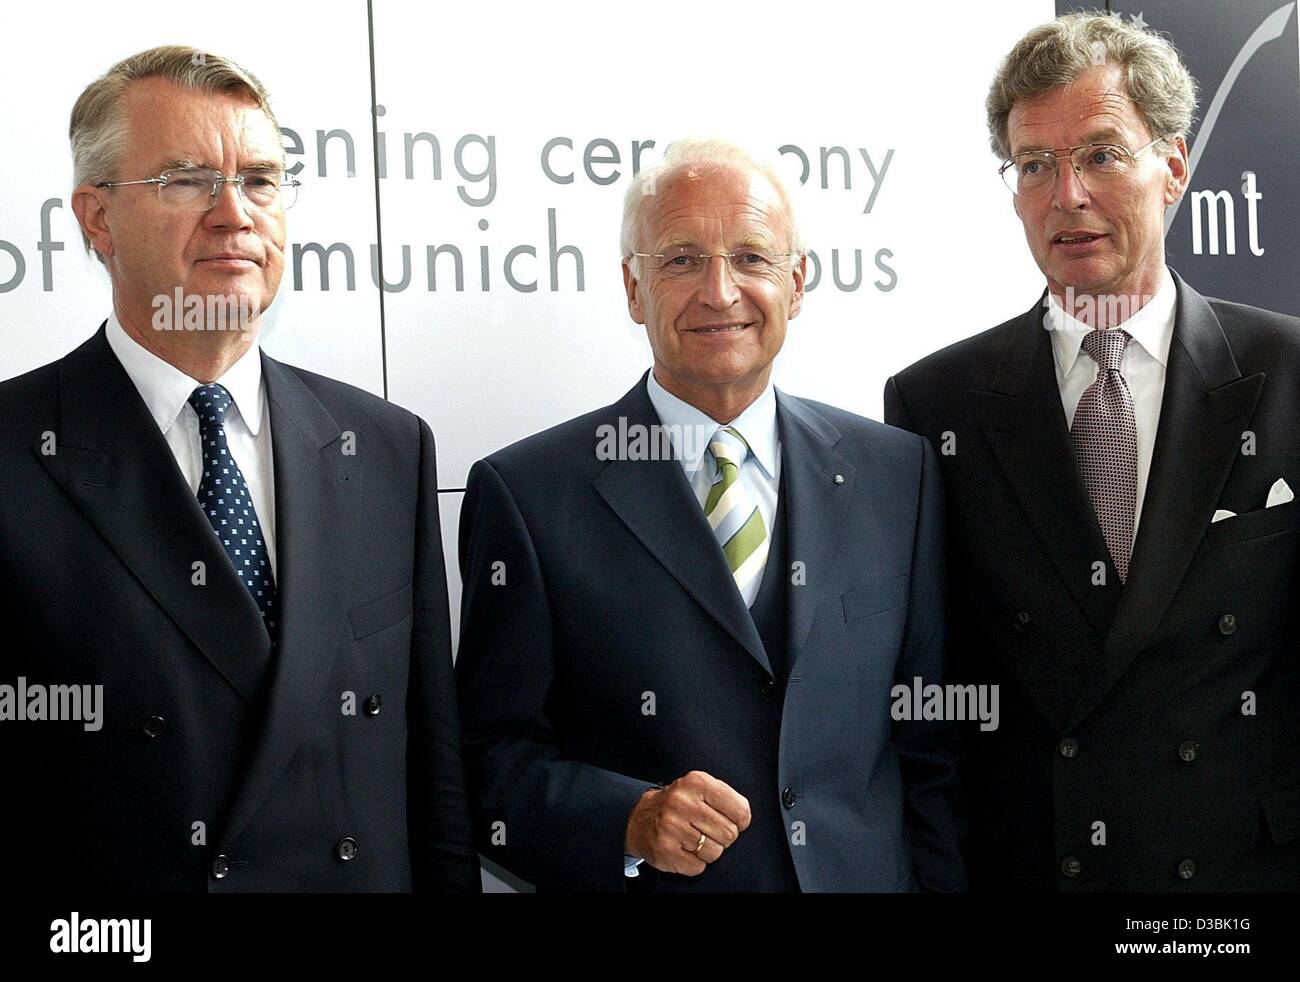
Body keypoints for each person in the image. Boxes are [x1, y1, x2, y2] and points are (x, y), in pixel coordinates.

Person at [0, 45, 479, 892]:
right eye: (186, 181)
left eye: (259, 180)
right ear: (97, 219)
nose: (235, 215)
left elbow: (432, 788)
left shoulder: (387, 447)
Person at [456, 138, 965, 892]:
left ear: (796, 285)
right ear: (634, 289)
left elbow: (934, 757)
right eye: (681, 260)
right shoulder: (527, 495)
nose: (720, 292)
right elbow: (485, 760)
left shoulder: (898, 475)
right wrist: (625, 819)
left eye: (753, 259)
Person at [885, 12, 1300, 891]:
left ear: (1175, 168)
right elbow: (930, 695)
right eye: (1035, 164)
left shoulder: (1289, 372)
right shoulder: (934, 403)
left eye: (1103, 155)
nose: (1065, 195)